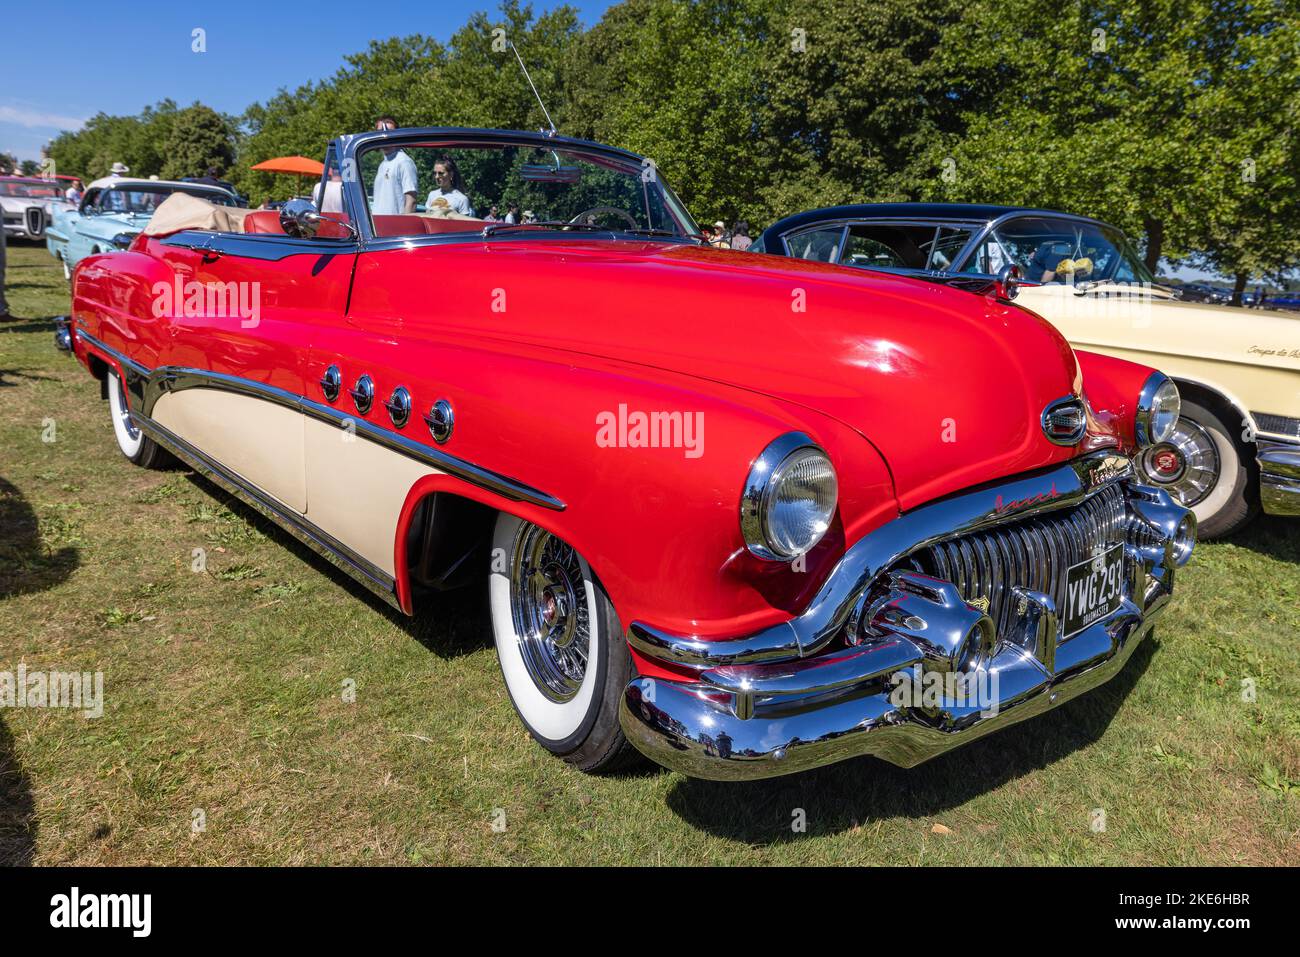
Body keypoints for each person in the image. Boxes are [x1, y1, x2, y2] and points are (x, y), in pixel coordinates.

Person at [371, 116, 417, 215]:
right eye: (380, 132)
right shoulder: (382, 164)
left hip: (394, 227)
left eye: (389, 132)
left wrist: (405, 228)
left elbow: (411, 201)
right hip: (377, 227)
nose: (385, 136)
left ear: (397, 134)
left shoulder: (404, 161)